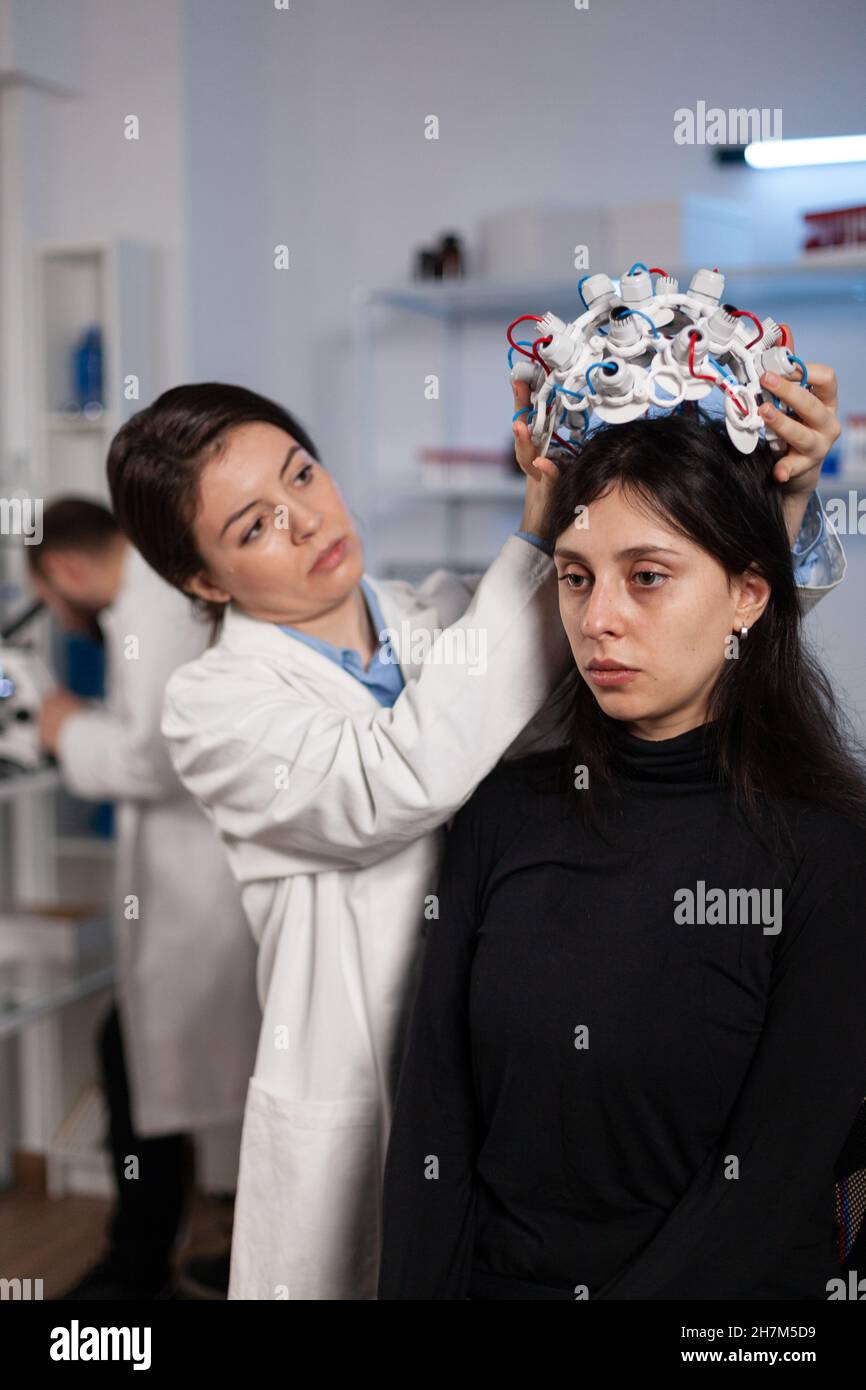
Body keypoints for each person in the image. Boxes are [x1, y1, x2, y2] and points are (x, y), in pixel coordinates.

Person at [105, 360, 844, 1300]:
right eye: (253, 526)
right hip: (369, 1101)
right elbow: (396, 778)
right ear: (201, 578)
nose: (305, 520)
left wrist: (788, 489)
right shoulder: (212, 708)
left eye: (298, 474)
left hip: (508, 1090)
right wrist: (537, 537)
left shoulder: (449, 617)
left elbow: (676, 640)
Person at [377, 407, 866, 1301]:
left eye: (647, 577)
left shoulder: (828, 852)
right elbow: (433, 1128)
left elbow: (770, 1180)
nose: (598, 619)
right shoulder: (501, 815)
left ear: (748, 597)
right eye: (574, 577)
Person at [29, 500, 260, 1299]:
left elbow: (154, 761)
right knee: (144, 1056)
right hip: (199, 886)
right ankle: (184, 1252)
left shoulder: (149, 607)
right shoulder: (155, 594)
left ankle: (138, 1268)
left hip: (206, 888)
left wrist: (59, 726)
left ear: (60, 573)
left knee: (136, 1056)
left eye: (52, 603)